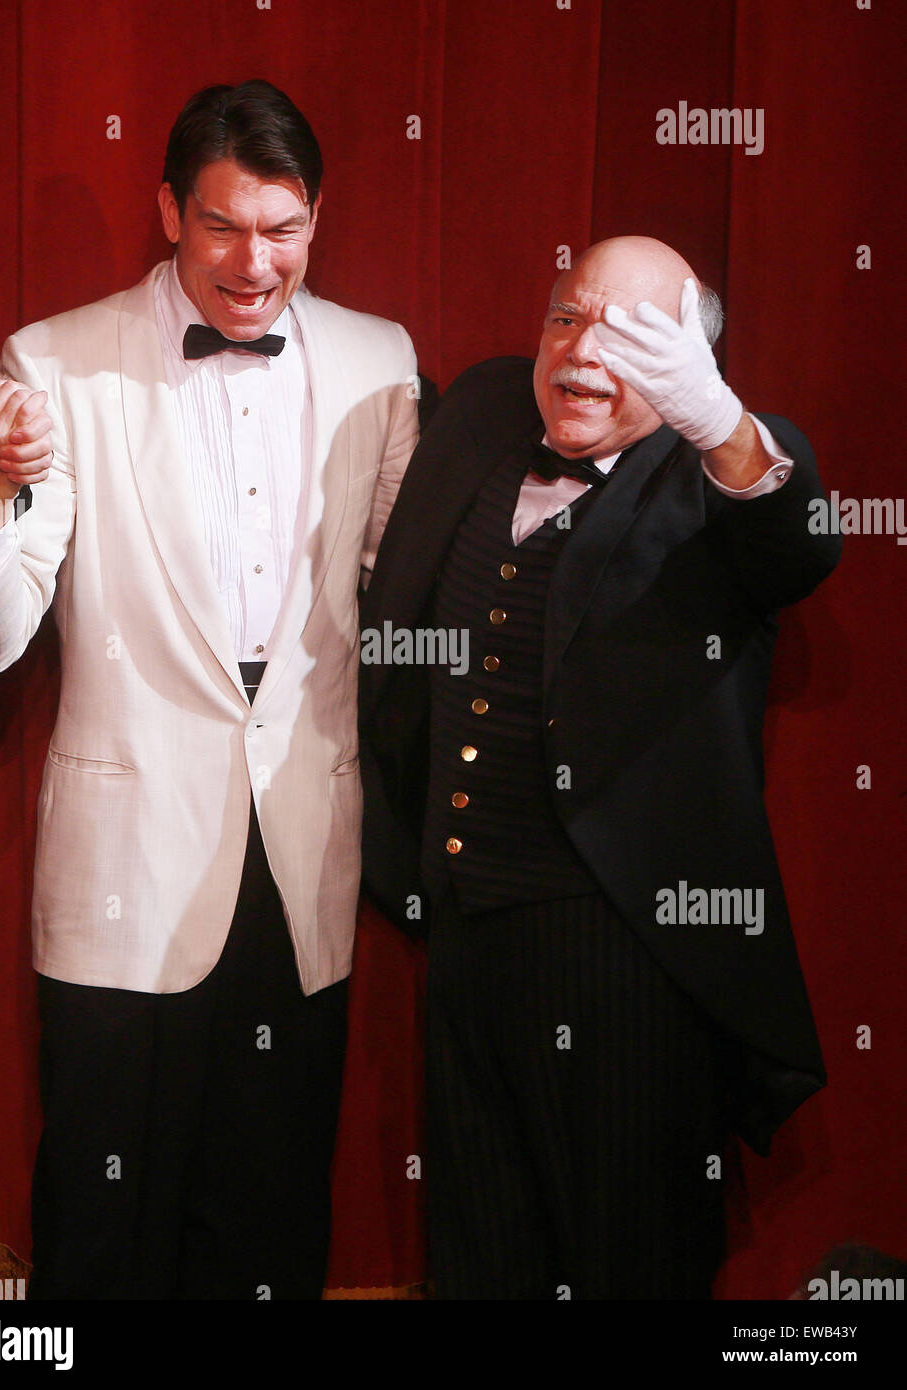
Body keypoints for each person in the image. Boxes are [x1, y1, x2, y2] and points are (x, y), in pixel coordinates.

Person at [0, 79, 418, 1299]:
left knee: (267, 1218)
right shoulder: (54, 363)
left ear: (317, 216)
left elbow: (403, 598)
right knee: (102, 1228)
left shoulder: (381, 361)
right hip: (124, 871)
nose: (255, 263)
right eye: (221, 227)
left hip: (304, 860)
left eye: (284, 227)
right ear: (166, 211)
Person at [359, 235, 841, 1299]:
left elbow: (800, 540)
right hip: (465, 938)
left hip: (624, 961)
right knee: (479, 1256)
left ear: (688, 372)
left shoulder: (709, 479)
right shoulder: (485, 413)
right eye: (567, 319)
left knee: (623, 1261)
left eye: (628, 338)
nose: (581, 355)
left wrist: (718, 424)